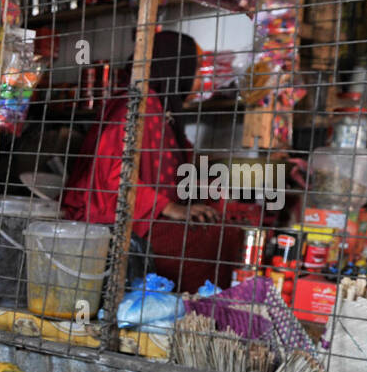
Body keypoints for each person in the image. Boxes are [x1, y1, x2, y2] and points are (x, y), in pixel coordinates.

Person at [59, 30, 260, 294]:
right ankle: (193, 310)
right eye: (197, 69)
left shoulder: (162, 108)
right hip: (115, 219)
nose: (200, 80)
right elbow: (112, 175)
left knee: (224, 222)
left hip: (148, 214)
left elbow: (183, 164)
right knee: (214, 237)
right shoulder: (135, 108)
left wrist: (227, 183)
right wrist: (168, 208)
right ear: (176, 66)